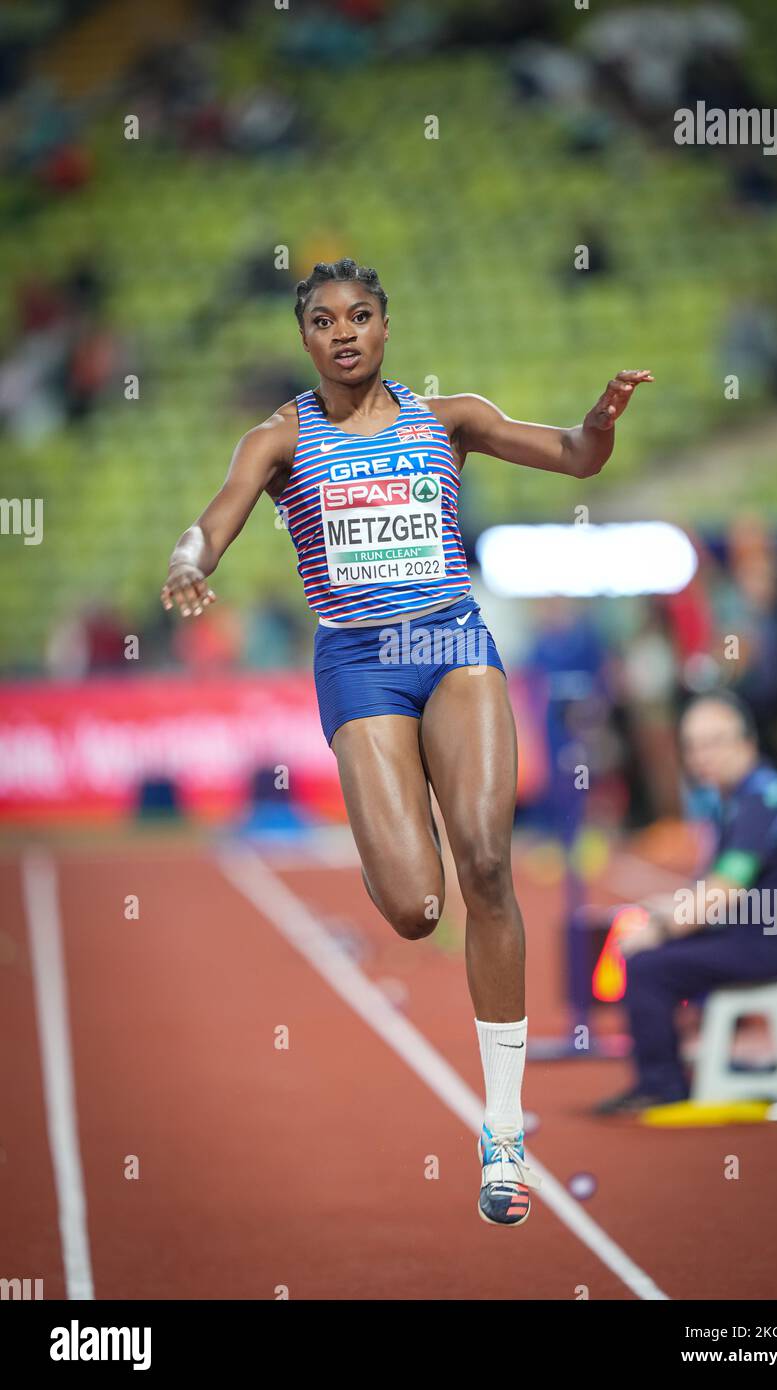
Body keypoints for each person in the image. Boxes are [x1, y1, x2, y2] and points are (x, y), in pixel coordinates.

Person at [161, 257, 653, 1222]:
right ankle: (389, 833)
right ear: (305, 338)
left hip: (452, 641)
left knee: (487, 864)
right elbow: (213, 521)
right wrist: (189, 560)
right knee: (418, 908)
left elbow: (574, 456)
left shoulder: (448, 419)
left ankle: (503, 1129)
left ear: (386, 327)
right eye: (323, 321)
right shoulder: (279, 440)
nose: (343, 332)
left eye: (360, 316)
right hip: (360, 663)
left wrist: (599, 423)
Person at [594, 690, 777, 1115]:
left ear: (747, 742)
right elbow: (715, 887)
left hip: (769, 940)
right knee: (652, 940)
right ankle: (703, 1057)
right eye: (693, 746)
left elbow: (725, 889)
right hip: (745, 929)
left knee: (646, 965)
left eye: (714, 742)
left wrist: (662, 928)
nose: (702, 756)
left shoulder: (762, 796)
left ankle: (662, 1085)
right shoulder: (731, 797)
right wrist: (666, 908)